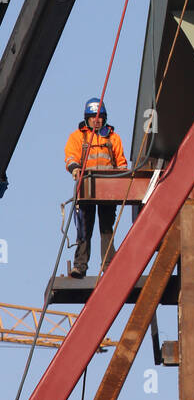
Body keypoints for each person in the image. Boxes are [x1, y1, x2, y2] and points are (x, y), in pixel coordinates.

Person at [64, 98, 128, 277]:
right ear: (87, 118)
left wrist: (122, 181)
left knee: (106, 228)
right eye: (93, 117)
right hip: (87, 188)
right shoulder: (78, 137)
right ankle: (80, 266)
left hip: (108, 188)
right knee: (85, 229)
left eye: (100, 117)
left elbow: (121, 162)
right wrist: (74, 168)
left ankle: (109, 266)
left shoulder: (113, 138)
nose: (97, 120)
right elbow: (71, 156)